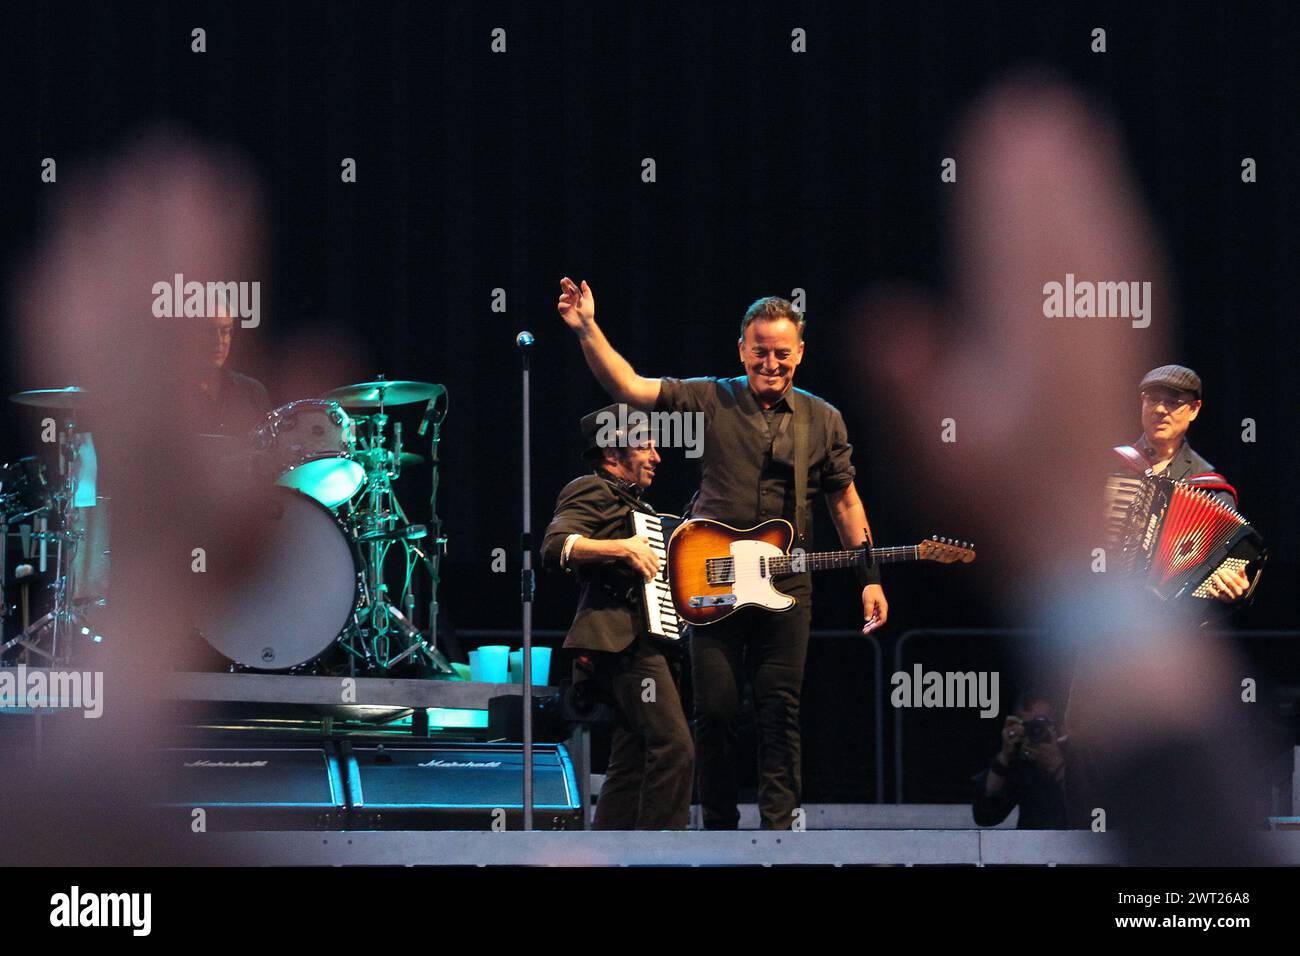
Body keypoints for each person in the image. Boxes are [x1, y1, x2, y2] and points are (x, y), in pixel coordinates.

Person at [557, 278, 887, 830]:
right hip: (711, 577)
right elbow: (632, 387)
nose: (772, 362)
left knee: (780, 709)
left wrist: (869, 578)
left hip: (787, 583)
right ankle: (718, 828)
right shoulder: (711, 398)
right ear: (742, 349)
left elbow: (845, 501)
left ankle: (779, 832)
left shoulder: (822, 419)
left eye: (783, 353)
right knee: (714, 713)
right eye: (760, 350)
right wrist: (587, 329)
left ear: (800, 353)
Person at [541, 405, 694, 829]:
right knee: (673, 746)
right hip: (620, 643)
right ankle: (663, 854)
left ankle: (606, 850)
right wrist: (623, 548)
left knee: (632, 759)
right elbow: (555, 546)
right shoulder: (589, 488)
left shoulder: (635, 506)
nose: (656, 456)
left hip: (644, 643)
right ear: (612, 454)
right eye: (645, 445)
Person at [1116, 364, 1250, 603]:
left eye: (1173, 402)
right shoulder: (1109, 468)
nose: (1159, 409)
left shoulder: (1210, 488)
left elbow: (1218, 575)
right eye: (1152, 399)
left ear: (1194, 409)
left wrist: (1230, 586)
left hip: (1175, 626)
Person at [971, 691, 1087, 829]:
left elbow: (1094, 812)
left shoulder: (1085, 759)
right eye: (1028, 726)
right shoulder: (1023, 764)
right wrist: (1004, 757)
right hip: (1031, 848)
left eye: (1041, 724)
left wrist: (1058, 767)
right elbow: (985, 816)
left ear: (1061, 727)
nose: (1035, 732)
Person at [188, 305, 270, 435]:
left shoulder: (253, 392)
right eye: (209, 331)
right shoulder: (168, 394)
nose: (219, 341)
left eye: (225, 331)